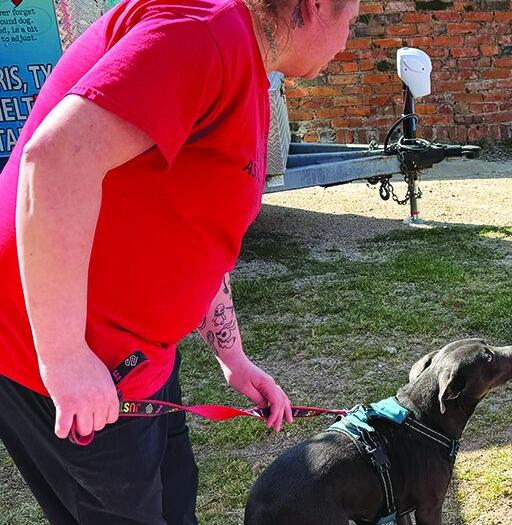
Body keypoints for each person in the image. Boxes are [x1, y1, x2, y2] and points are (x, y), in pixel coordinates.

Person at [0, 0, 360, 523]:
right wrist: (65, 358)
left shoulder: (244, 60)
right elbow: (55, 157)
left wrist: (232, 357)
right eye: (352, 20)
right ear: (315, 5)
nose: (348, 40)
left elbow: (199, 230)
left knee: (174, 501)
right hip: (70, 353)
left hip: (140, 357)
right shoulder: (204, 34)